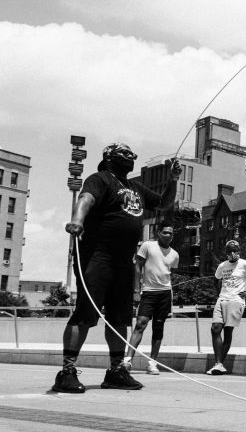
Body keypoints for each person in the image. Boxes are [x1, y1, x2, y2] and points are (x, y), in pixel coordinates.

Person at [52, 143, 181, 393]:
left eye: (132, 155)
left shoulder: (135, 187)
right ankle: (66, 371)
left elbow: (164, 203)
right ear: (109, 158)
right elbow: (86, 198)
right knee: (85, 314)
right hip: (97, 258)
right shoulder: (100, 179)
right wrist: (77, 220)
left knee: (119, 318)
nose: (130, 157)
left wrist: (173, 179)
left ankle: (116, 371)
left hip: (124, 262)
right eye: (124, 154)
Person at [123, 222, 179, 375]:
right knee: (140, 324)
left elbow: (170, 273)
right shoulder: (147, 246)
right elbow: (137, 267)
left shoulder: (175, 254)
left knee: (158, 327)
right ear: (158, 232)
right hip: (148, 292)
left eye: (171, 233)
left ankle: (152, 363)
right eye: (165, 232)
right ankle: (127, 360)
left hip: (165, 294)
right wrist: (136, 290)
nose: (168, 235)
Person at [207, 240, 246, 375]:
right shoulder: (222, 266)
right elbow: (216, 280)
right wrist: (218, 293)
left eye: (235, 250)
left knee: (227, 331)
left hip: (236, 300)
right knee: (215, 328)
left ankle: (219, 364)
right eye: (229, 251)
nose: (232, 253)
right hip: (222, 299)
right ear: (226, 252)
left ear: (239, 251)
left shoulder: (245, 264)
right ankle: (218, 364)